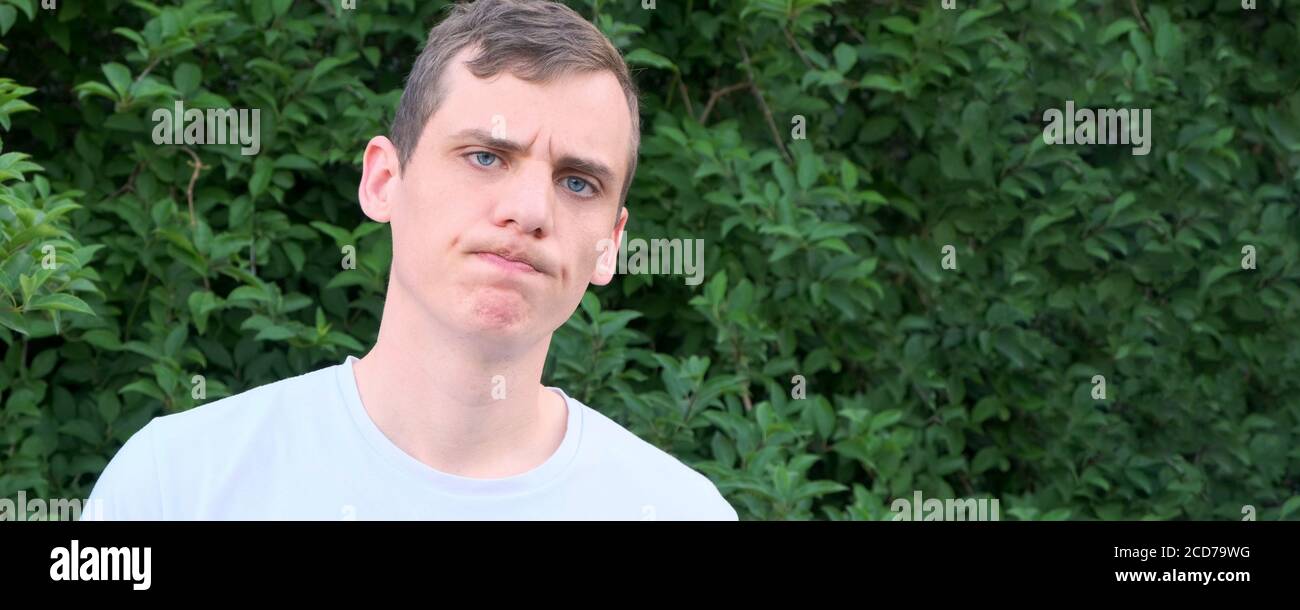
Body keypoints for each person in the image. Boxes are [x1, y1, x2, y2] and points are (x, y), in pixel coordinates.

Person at [85, 0, 737, 520]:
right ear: (382, 181)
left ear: (611, 245)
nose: (531, 209)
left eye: (578, 182)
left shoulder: (678, 511)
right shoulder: (177, 485)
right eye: (486, 156)